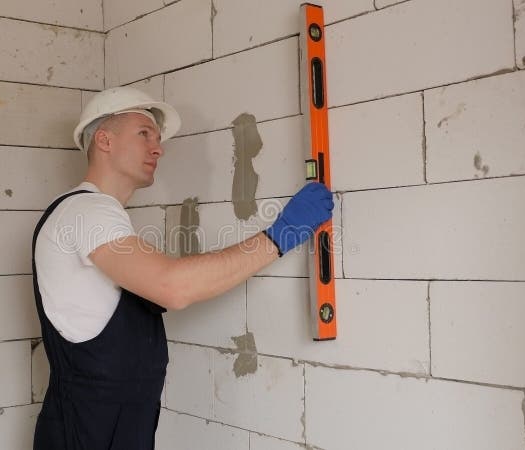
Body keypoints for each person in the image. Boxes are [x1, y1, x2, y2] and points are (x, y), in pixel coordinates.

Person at [31, 87, 334, 450]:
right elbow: (173, 286)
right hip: (86, 434)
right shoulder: (87, 212)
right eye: (144, 134)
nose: (157, 148)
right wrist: (280, 234)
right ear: (104, 140)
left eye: (157, 139)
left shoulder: (99, 219)